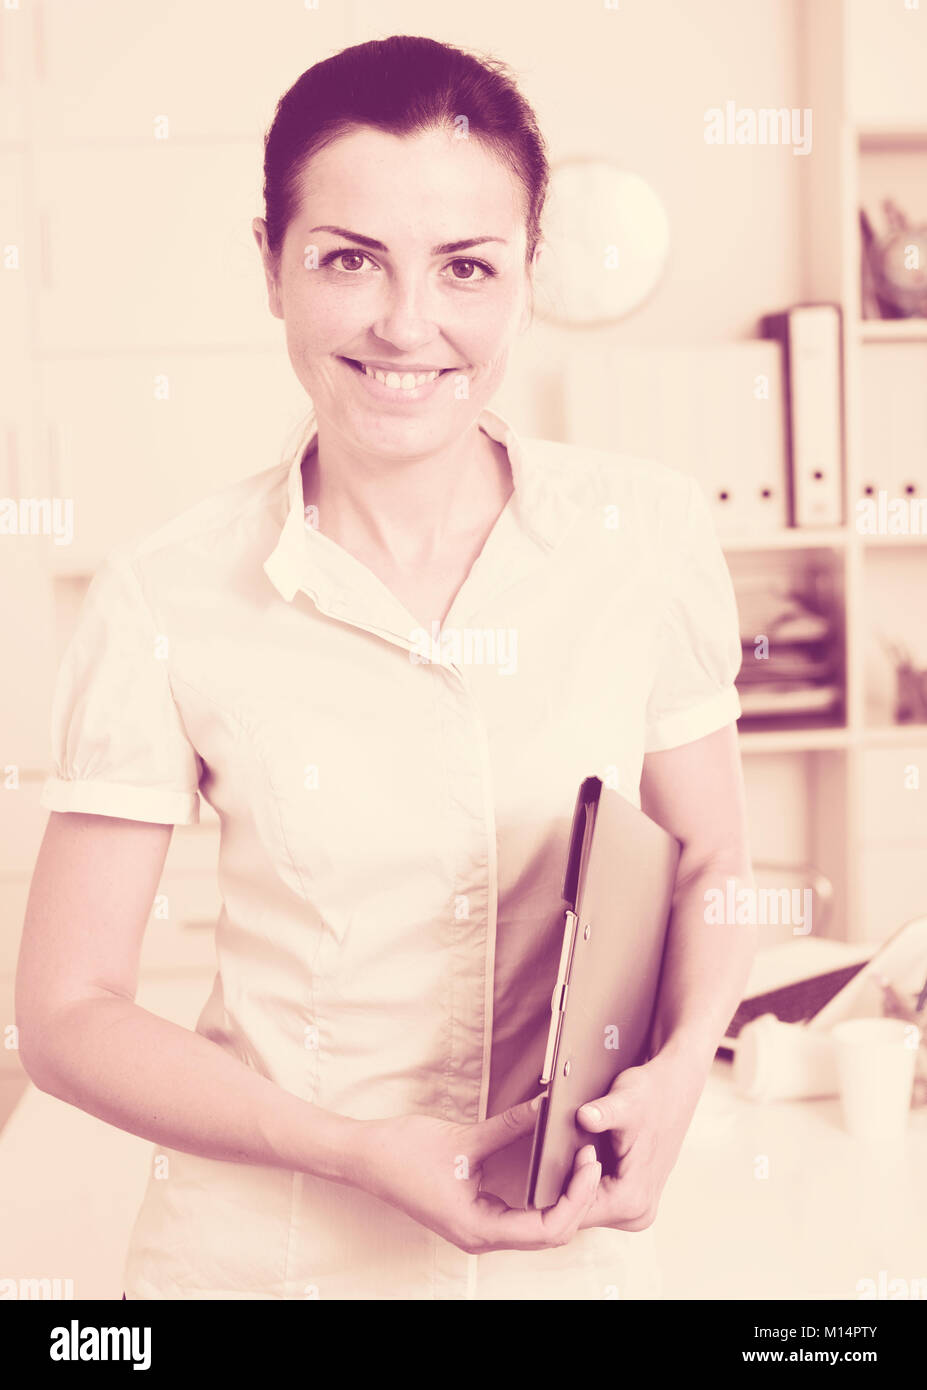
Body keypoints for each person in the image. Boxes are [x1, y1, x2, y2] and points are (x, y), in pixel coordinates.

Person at [16, 34, 756, 1300]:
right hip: (264, 1262)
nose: (408, 323)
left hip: (562, 1259)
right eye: (349, 258)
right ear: (271, 268)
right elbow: (67, 1011)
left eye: (466, 266)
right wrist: (352, 1150)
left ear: (527, 276)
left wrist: (685, 1062)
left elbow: (714, 864)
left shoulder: (651, 533)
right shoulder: (166, 593)